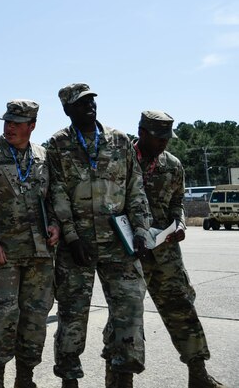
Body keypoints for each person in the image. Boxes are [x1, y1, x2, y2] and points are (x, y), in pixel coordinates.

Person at [47, 83, 152, 388]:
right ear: (68, 109)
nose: (89, 106)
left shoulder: (120, 141)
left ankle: (121, 375)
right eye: (81, 103)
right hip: (76, 244)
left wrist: (142, 229)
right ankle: (69, 378)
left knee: (130, 307)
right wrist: (70, 236)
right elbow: (56, 193)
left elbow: (135, 187)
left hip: (119, 242)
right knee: (72, 315)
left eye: (91, 100)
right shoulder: (58, 145)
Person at [0, 100, 60, 388]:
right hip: (1, 255)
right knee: (2, 318)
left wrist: (55, 224)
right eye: (7, 121)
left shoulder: (43, 156)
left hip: (39, 254)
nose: (10, 127)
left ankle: (25, 379)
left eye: (18, 123)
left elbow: (52, 198)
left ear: (32, 126)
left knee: (35, 319)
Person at [131, 111, 225, 388]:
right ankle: (120, 380)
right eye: (158, 138)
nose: (163, 144)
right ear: (142, 132)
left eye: (167, 138)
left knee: (182, 309)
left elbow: (177, 202)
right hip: (130, 253)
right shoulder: (122, 162)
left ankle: (198, 374)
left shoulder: (172, 165)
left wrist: (180, 223)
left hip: (165, 251)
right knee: (126, 318)